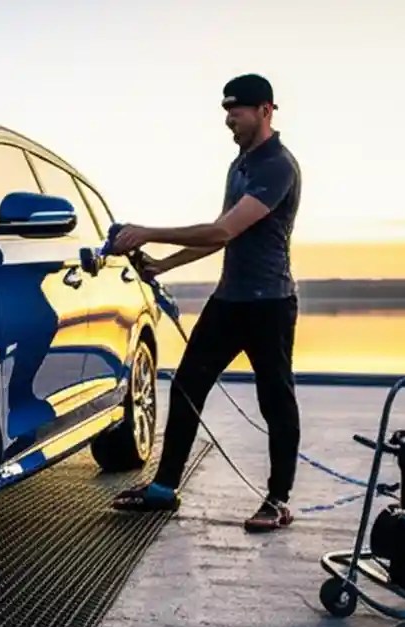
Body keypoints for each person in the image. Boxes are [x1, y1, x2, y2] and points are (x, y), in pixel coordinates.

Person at [108, 73, 302, 533]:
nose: (229, 119)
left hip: (270, 303)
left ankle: (278, 500)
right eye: (225, 111)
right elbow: (221, 233)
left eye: (237, 111)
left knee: (275, 399)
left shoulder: (278, 165)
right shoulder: (241, 166)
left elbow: (221, 231)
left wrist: (148, 230)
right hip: (230, 299)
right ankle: (163, 489)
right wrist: (162, 265)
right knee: (188, 384)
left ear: (265, 111)